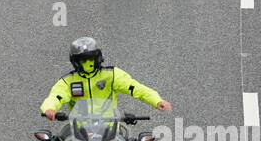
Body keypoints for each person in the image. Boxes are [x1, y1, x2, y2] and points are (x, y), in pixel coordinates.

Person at [40, 38, 173, 122]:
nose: (88, 62)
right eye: (83, 59)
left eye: (91, 58)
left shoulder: (112, 75)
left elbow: (136, 88)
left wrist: (157, 100)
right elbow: (56, 97)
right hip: (77, 130)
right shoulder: (68, 81)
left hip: (111, 126)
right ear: (76, 62)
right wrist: (50, 109)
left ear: (98, 57)